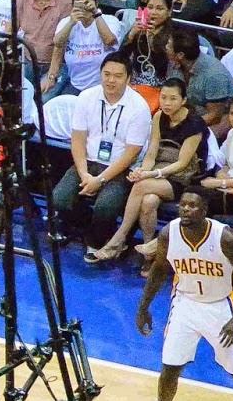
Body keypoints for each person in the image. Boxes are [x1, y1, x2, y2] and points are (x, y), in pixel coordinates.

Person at [133, 191, 233, 401]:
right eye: (182, 204)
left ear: (204, 210)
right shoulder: (169, 233)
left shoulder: (225, 237)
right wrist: (143, 307)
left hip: (220, 307)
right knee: (169, 367)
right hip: (185, 305)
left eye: (192, 205)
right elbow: (159, 270)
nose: (185, 209)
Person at [87, 78, 206, 270]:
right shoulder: (159, 116)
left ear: (184, 100)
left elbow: (182, 163)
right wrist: (143, 170)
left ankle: (118, 239)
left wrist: (151, 175)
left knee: (141, 186)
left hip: (183, 178)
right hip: (158, 173)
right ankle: (151, 256)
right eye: (163, 97)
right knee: (148, 200)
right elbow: (152, 152)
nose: (166, 103)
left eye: (173, 99)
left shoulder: (195, 124)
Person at [52, 54, 153, 253]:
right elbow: (78, 139)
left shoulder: (139, 107)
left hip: (121, 168)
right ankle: (85, 227)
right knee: (59, 198)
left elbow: (132, 153)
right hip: (88, 162)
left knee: (106, 206)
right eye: (106, 74)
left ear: (128, 78)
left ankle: (96, 240)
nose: (111, 80)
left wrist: (100, 180)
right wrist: (84, 174)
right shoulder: (87, 97)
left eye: (117, 76)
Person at [41, 0, 125, 101]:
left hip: (101, 87)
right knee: (44, 99)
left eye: (87, 3)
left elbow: (109, 40)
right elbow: (58, 44)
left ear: (96, 3)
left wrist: (96, 14)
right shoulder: (67, 22)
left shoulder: (109, 20)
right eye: (78, 3)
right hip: (75, 83)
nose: (83, 7)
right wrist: (71, 22)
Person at [165, 29, 233, 138]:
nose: (166, 47)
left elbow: (215, 116)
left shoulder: (214, 75)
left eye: (169, 46)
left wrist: (183, 126)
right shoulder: (173, 62)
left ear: (180, 55)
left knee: (192, 139)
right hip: (191, 111)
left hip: (222, 117)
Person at [15, 0, 73, 70]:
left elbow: (62, 43)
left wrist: (51, 76)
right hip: (25, 60)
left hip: (56, 65)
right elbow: (12, 27)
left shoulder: (67, 1)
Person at [121, 0, 176, 107]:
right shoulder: (138, 29)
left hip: (160, 86)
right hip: (134, 84)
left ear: (169, 11)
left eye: (160, 8)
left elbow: (168, 66)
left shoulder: (175, 34)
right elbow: (121, 57)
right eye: (150, 7)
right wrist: (131, 35)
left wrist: (152, 40)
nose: (154, 12)